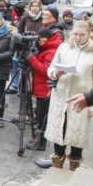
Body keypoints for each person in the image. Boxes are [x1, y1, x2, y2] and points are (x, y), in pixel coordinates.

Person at [45, 19, 93, 170]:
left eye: (82, 35)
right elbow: (51, 69)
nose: (78, 38)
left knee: (77, 134)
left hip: (81, 97)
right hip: (61, 95)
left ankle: (75, 164)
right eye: (76, 34)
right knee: (60, 129)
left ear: (89, 34)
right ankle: (57, 163)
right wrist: (55, 73)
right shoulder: (64, 47)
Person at [26, 14, 64, 149]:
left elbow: (45, 70)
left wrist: (31, 58)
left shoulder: (51, 51)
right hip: (41, 88)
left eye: (42, 39)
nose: (40, 41)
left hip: (45, 90)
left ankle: (41, 142)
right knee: (40, 115)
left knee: (42, 117)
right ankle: (39, 138)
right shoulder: (46, 49)